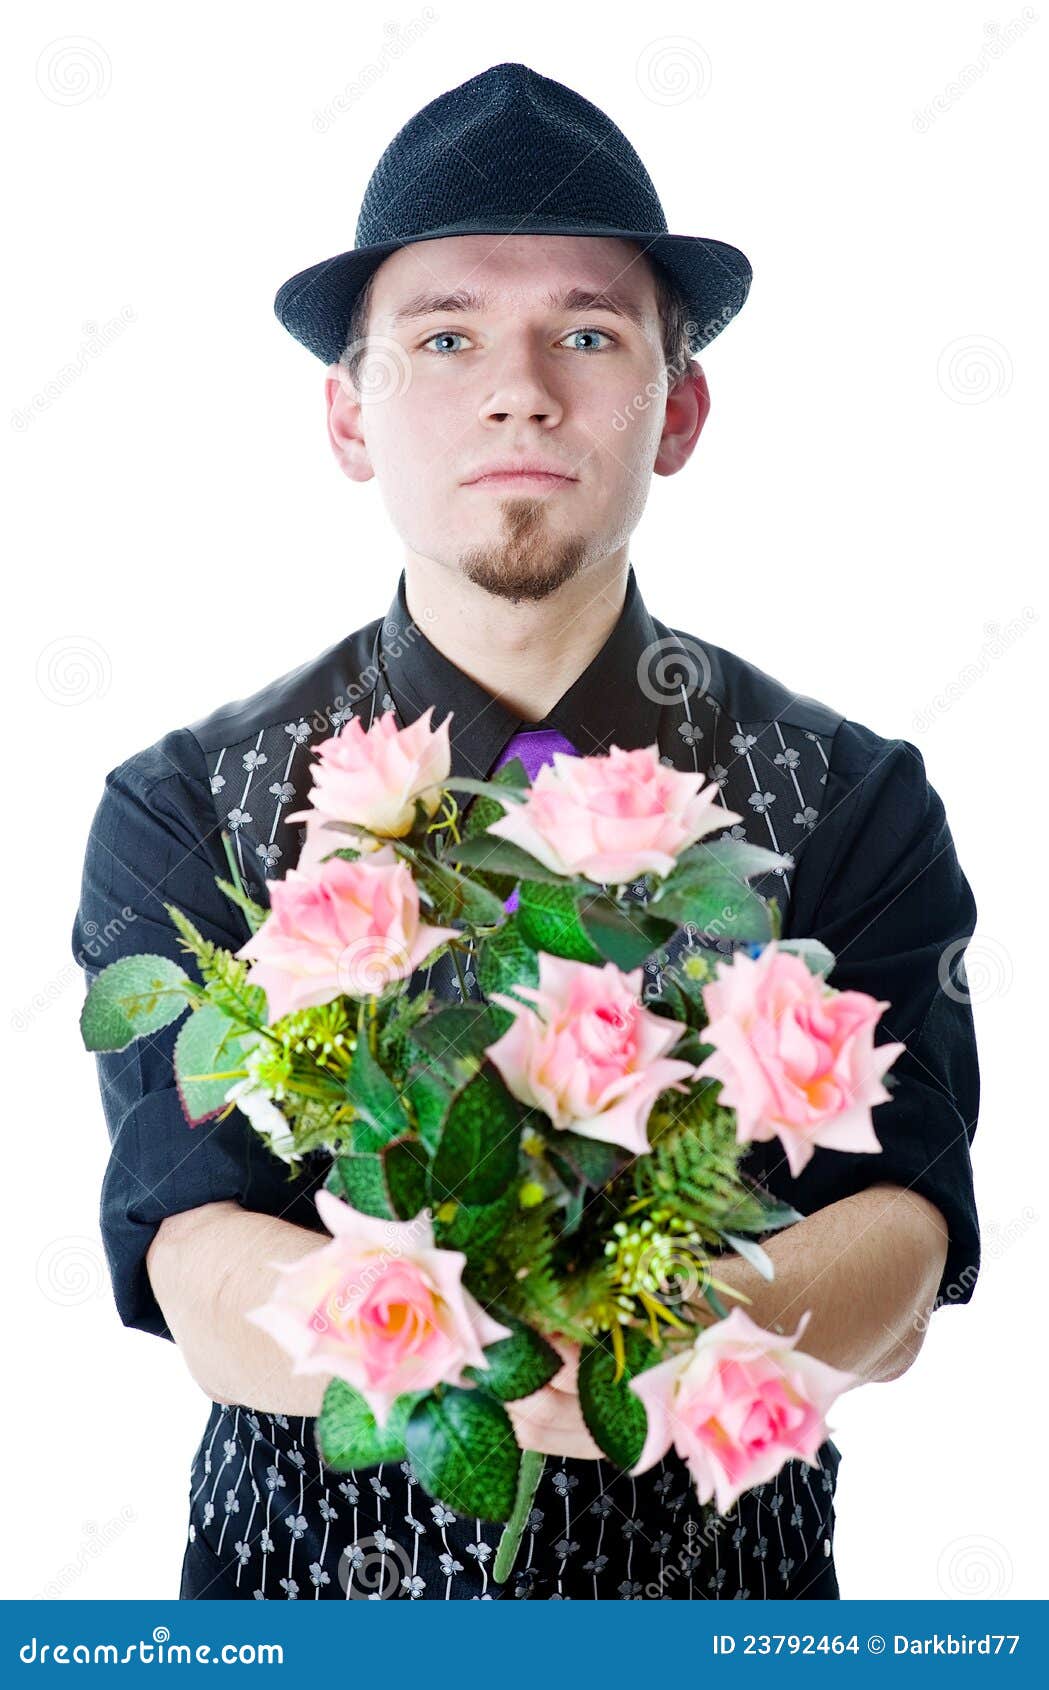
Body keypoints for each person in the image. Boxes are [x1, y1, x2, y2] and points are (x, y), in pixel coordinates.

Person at [71, 62, 980, 1601]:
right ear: (348, 414)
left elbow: (904, 1233)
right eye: (444, 338)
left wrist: (669, 1334)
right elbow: (187, 1246)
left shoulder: (848, 794)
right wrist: (450, 1346)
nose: (520, 390)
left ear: (676, 409)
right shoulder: (192, 801)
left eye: (586, 334)